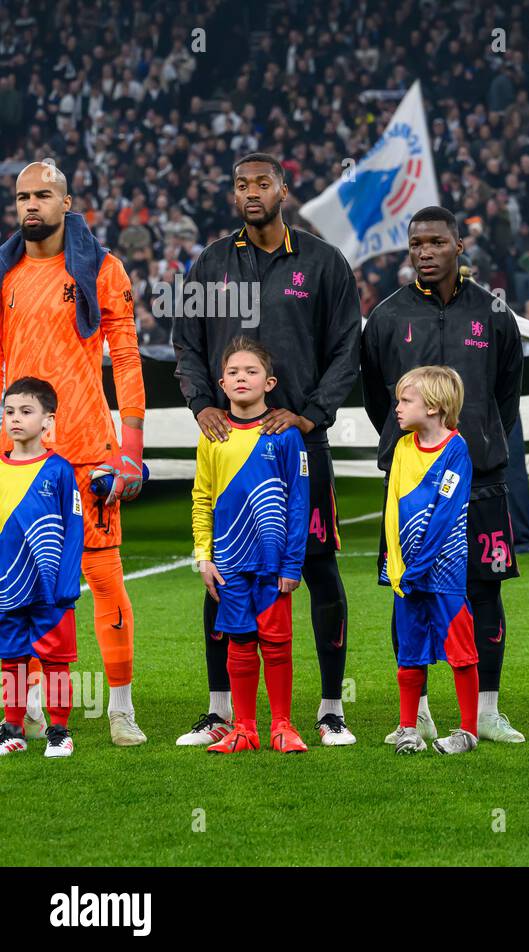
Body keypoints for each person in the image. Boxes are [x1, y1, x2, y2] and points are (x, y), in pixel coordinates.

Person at [173, 152, 362, 747]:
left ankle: (330, 709)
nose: (251, 193)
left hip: (298, 447)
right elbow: (185, 344)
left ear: (285, 188)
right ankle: (221, 710)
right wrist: (203, 403)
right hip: (230, 445)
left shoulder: (324, 263)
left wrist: (309, 416)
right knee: (223, 574)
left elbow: (346, 351)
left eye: (262, 183)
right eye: (240, 185)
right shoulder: (209, 265)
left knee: (319, 570)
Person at [361, 207, 524, 745]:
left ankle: (485, 713)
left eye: (435, 242)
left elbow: (506, 393)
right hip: (408, 481)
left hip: (481, 479)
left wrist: (474, 436)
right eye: (415, 245)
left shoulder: (495, 313)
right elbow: (374, 398)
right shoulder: (386, 317)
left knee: (483, 592)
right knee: (409, 589)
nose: (424, 252)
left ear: (459, 245)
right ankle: (419, 714)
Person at [0, 162, 147, 747]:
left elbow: (129, 358)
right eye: (21, 197)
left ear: (66, 201)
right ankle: (31, 707)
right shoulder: (5, 272)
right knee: (20, 583)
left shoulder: (102, 269)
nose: (30, 205)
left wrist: (130, 449)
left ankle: (120, 708)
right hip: (21, 458)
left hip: (88, 451)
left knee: (104, 577)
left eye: (42, 195)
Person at [194, 339, 310, 754]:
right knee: (240, 642)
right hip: (229, 563)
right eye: (234, 373)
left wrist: (292, 565)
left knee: (276, 642)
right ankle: (244, 727)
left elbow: (299, 502)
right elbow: (202, 497)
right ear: (222, 384)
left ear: (269, 382)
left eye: (251, 371)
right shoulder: (213, 435)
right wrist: (203, 558)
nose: (242, 377)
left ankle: (282, 725)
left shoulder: (285, 435)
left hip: (272, 561)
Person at [383, 366, 479, 756]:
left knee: (461, 650)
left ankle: (468, 731)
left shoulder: (457, 450)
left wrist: (419, 564)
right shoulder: (403, 448)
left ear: (436, 407)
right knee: (409, 651)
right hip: (407, 574)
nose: (397, 408)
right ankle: (409, 728)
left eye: (406, 401)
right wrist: (394, 561)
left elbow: (444, 513)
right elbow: (392, 507)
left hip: (444, 574)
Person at [0, 378, 83, 757]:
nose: (15, 418)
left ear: (48, 421)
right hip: (6, 586)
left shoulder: (60, 470)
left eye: (26, 411)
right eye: (10, 411)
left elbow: (74, 527)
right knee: (12, 658)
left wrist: (67, 584)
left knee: (55, 660)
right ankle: (12, 729)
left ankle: (59, 731)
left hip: (49, 588)